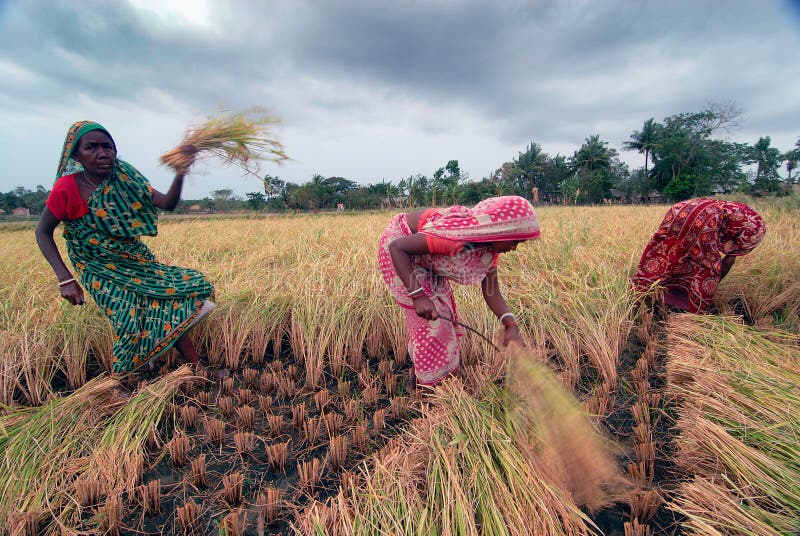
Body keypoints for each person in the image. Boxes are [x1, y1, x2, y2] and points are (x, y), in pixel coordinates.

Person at [36, 121, 215, 375]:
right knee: (127, 320)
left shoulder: (125, 178)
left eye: (107, 147)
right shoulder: (67, 188)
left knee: (179, 298)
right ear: (76, 154)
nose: (102, 153)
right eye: (92, 147)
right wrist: (65, 279)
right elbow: (42, 232)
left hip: (135, 261)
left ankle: (198, 369)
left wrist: (180, 171)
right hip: (96, 267)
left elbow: (167, 203)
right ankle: (119, 381)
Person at [378, 196, 540, 386]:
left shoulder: (488, 250)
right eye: (514, 242)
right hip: (400, 251)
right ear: (499, 232)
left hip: (425, 258)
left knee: (442, 314)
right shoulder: (456, 237)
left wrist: (510, 325)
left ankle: (429, 378)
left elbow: (491, 290)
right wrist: (418, 295)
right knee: (430, 327)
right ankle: (428, 387)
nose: (513, 248)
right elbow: (397, 248)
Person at [632, 197, 766, 313]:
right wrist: (713, 283)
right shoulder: (754, 233)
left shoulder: (742, 213)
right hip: (706, 220)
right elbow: (728, 262)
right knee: (708, 268)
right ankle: (687, 306)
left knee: (665, 253)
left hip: (681, 209)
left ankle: (641, 293)